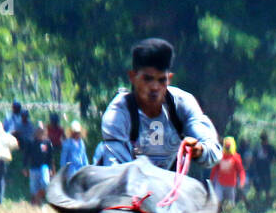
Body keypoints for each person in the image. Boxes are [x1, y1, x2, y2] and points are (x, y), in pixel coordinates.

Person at [92, 38, 220, 171]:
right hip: (126, 183)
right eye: (147, 79)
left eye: (161, 80)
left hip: (170, 185)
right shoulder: (117, 114)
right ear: (132, 77)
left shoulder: (183, 104)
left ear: (169, 79)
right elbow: (117, 171)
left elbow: (214, 151)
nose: (154, 87)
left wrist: (199, 150)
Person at [211, 136, 246, 213]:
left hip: (231, 185)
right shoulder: (220, 155)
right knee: (217, 201)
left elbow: (241, 171)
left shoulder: (236, 157)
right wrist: (211, 181)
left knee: (230, 205)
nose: (227, 147)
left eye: (228, 146)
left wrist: (242, 182)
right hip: (220, 184)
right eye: (226, 146)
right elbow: (214, 169)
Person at [25, 123, 53, 206]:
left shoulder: (47, 142)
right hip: (34, 167)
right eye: (39, 130)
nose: (41, 132)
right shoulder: (31, 142)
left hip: (44, 167)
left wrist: (51, 168)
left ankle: (40, 200)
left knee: (45, 183)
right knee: (34, 187)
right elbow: (26, 155)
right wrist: (25, 167)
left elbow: (50, 156)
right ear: (36, 131)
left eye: (42, 131)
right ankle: (36, 203)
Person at [250, 131, 274, 201]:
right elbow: (253, 157)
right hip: (258, 168)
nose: (264, 141)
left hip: (266, 168)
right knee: (258, 185)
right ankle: (257, 199)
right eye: (263, 139)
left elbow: (275, 155)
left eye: (265, 139)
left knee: (267, 185)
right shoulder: (257, 147)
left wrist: (271, 161)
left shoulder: (269, 147)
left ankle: (267, 199)